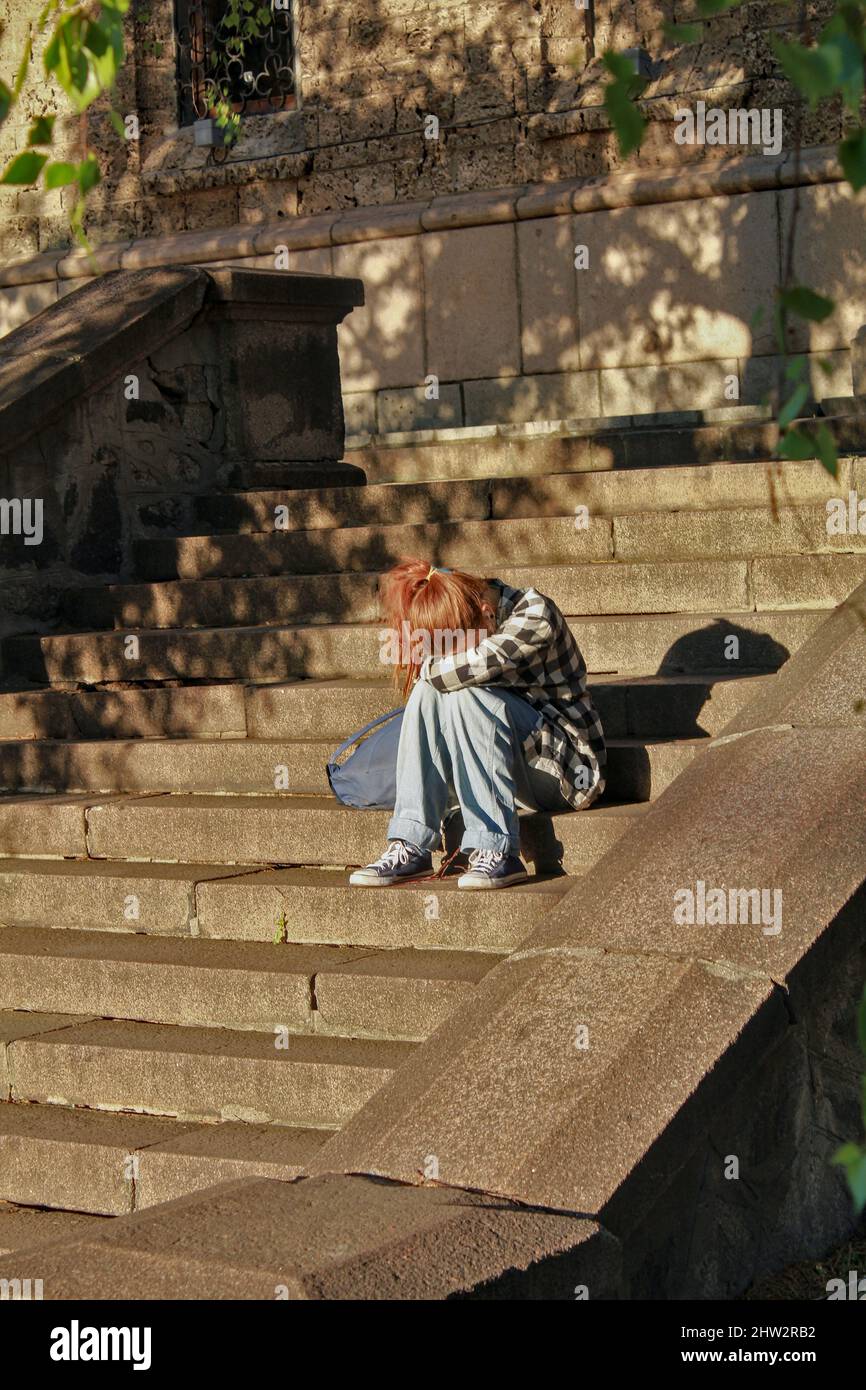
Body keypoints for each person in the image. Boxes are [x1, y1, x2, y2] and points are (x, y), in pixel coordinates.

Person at [349, 558, 606, 890]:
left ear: (487, 611)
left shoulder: (534, 615)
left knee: (460, 690)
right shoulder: (471, 612)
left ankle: (496, 850)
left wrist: (428, 664)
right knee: (433, 692)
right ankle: (410, 841)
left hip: (567, 771)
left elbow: (472, 665)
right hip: (512, 769)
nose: (449, 654)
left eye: (456, 644)